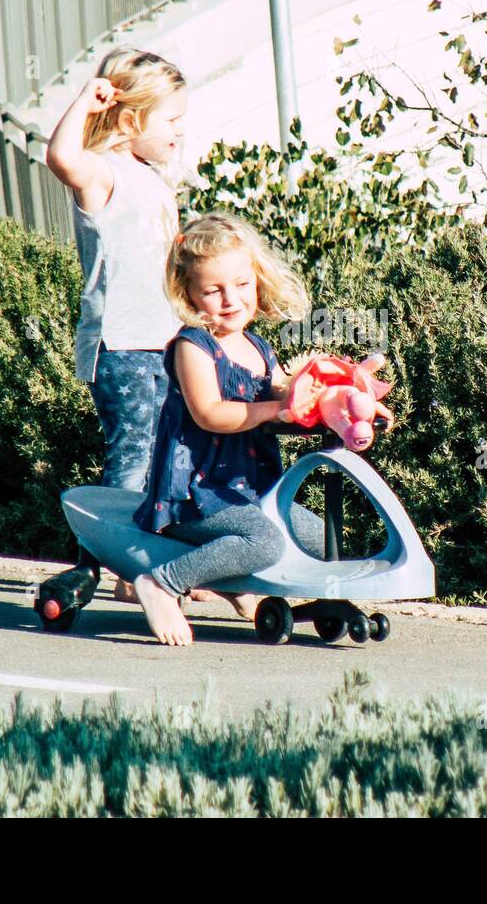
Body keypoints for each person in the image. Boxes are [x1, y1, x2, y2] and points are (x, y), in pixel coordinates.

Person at [130, 213, 394, 646]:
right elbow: (211, 414)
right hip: (197, 494)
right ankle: (163, 584)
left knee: (315, 536)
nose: (230, 299)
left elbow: (286, 406)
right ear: (188, 293)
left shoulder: (257, 346)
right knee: (266, 542)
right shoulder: (193, 346)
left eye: (241, 285)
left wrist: (334, 407)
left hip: (249, 490)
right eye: (214, 290)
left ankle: (236, 585)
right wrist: (277, 409)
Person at [45, 47, 209, 604]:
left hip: (166, 344)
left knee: (172, 453)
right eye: (171, 121)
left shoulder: (156, 181)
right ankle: (110, 564)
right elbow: (61, 158)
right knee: (133, 453)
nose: (180, 133)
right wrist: (85, 104)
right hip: (121, 344)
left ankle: (158, 561)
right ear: (132, 119)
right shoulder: (104, 173)